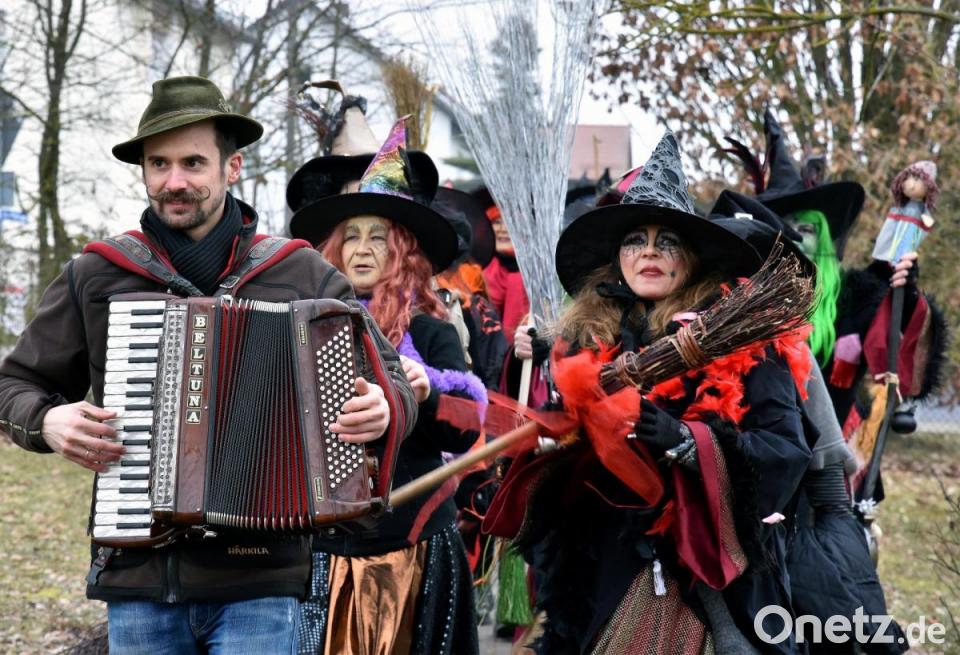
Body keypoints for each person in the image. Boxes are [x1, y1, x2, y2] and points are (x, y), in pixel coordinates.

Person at [0, 76, 417, 654]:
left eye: (194, 163)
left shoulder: (300, 275)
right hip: (139, 576)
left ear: (233, 168)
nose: (175, 182)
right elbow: (14, 383)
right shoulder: (98, 274)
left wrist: (383, 409)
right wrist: (47, 422)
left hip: (262, 581)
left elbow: (393, 380)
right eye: (159, 164)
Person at [486, 132, 813, 654]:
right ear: (618, 257)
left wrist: (689, 442)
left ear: (694, 259)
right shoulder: (586, 341)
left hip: (693, 576)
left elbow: (786, 453)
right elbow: (556, 438)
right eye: (636, 239)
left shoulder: (741, 340)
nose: (650, 252)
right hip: (593, 568)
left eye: (669, 241)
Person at [288, 117, 482, 655]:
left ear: (403, 251)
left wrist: (428, 395)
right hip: (324, 551)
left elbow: (471, 429)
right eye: (351, 236)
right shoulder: (302, 327)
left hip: (415, 549)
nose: (363, 248)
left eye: (380, 236)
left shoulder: (431, 328)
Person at [709, 190, 908, 652]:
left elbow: (821, 465)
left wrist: (841, 536)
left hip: (787, 520)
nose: (736, 283)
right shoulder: (670, 338)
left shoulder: (787, 342)